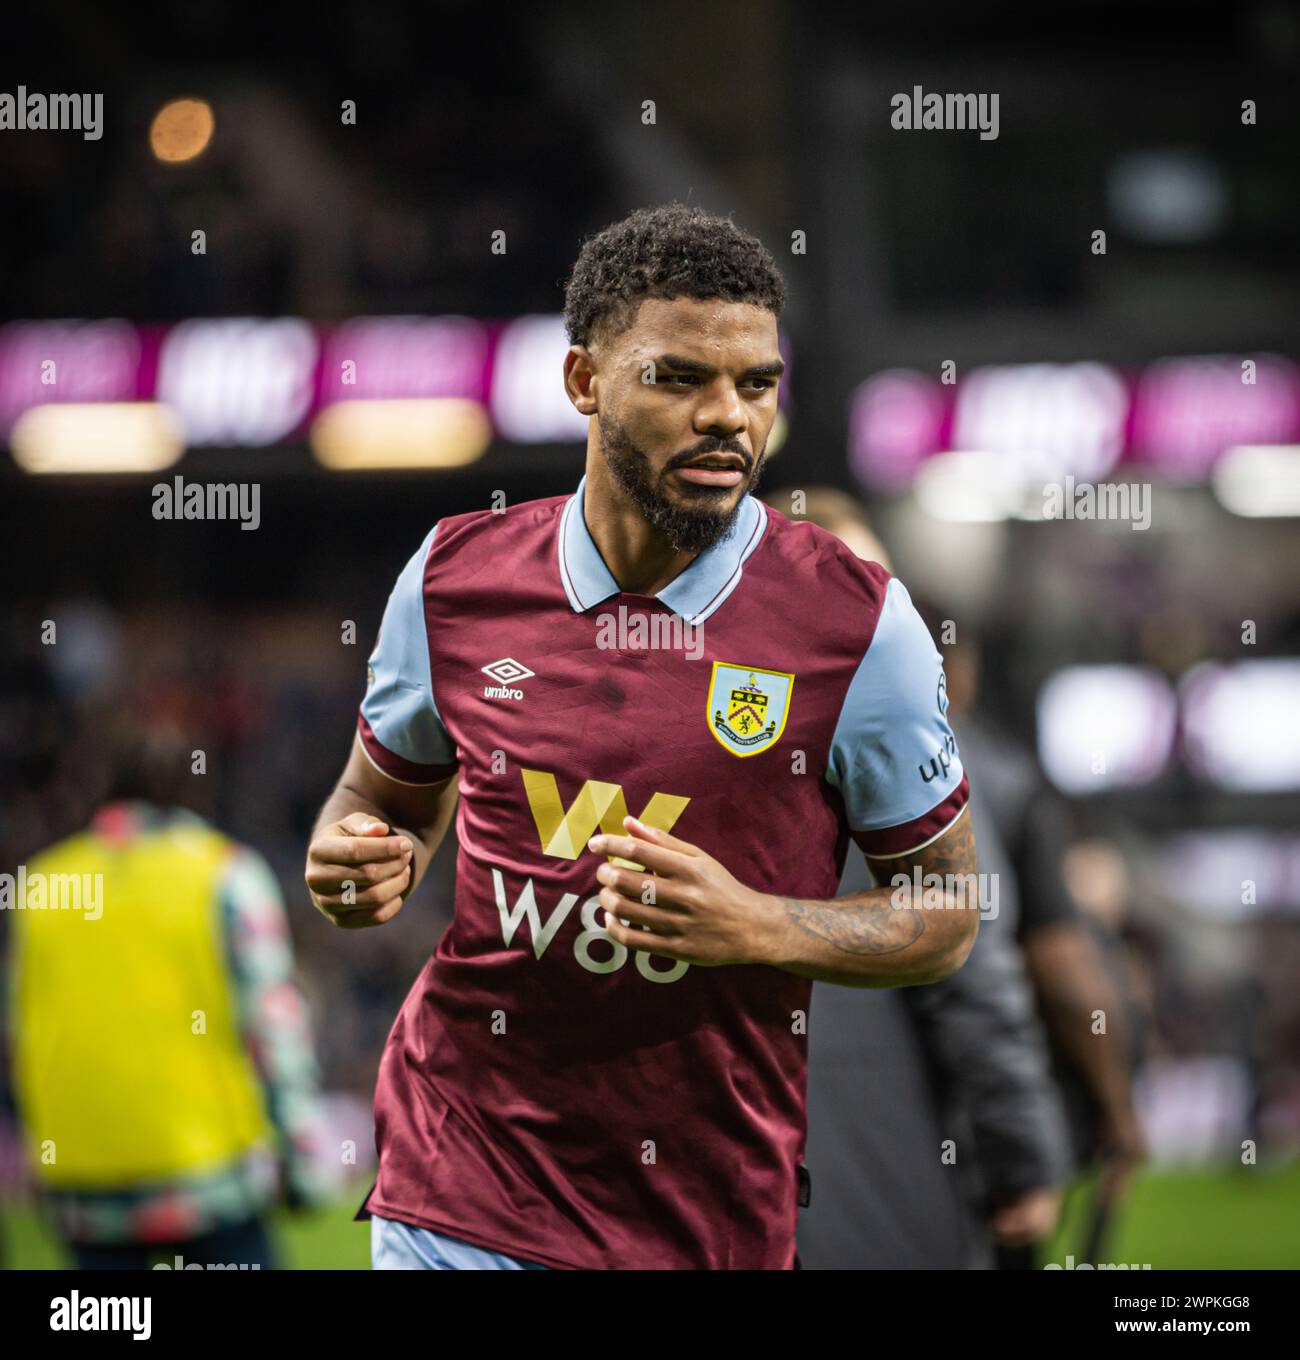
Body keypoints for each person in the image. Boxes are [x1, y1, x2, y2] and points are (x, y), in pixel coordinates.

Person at [305, 203, 980, 1271]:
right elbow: (380, 802)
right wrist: (351, 862)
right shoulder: (451, 578)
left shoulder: (857, 624)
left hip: (703, 1212)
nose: (729, 417)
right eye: (679, 379)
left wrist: (756, 923)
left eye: (756, 385)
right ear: (584, 381)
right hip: (460, 1180)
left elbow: (946, 911)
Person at [769, 487, 1071, 1269]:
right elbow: (977, 980)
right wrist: (1022, 1161)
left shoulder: (671, 737)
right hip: (880, 1169)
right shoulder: (905, 747)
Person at [9, 724, 327, 1269]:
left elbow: (18, 1035)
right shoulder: (225, 874)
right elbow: (274, 1024)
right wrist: (301, 1162)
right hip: (209, 1178)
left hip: (82, 1185)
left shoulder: (41, 886)